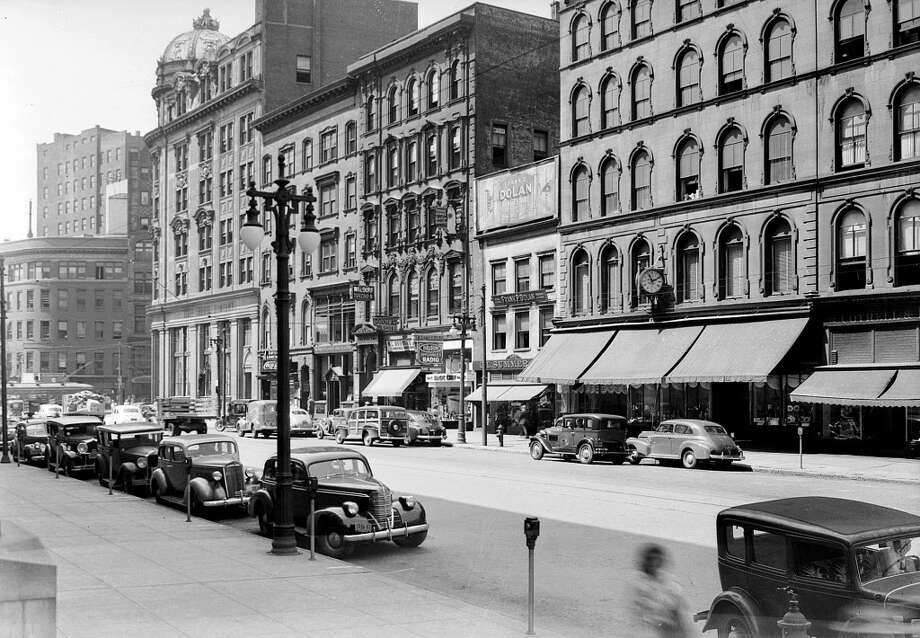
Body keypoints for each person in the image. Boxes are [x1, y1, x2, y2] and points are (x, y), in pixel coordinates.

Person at [628, 544, 693, 638]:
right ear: (646, 561)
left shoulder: (669, 582)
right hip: (652, 631)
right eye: (651, 559)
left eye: (657, 559)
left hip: (674, 630)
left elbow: (681, 608)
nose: (654, 563)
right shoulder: (638, 582)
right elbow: (640, 611)